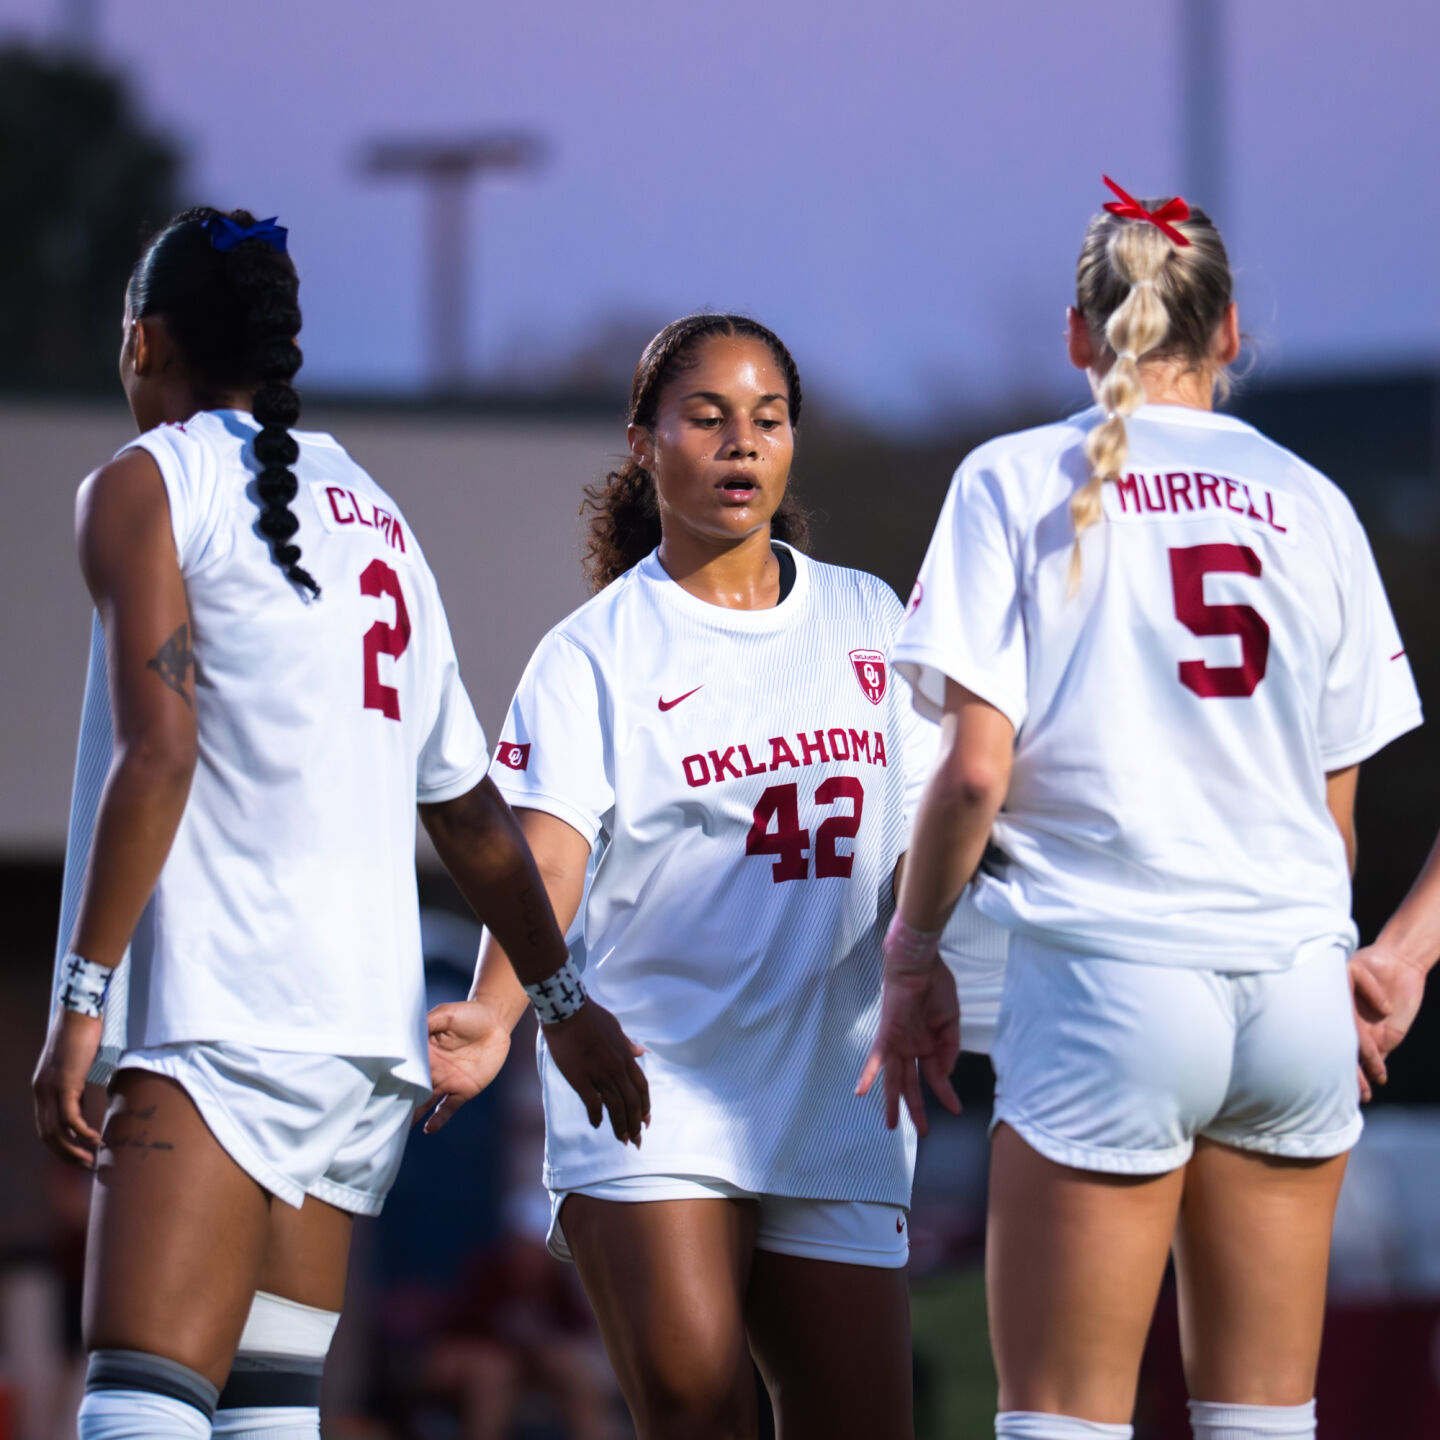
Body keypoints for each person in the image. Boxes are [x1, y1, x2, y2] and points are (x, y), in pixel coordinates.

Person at [30, 207, 646, 1440]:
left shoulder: (147, 483)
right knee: (266, 1413)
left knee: (137, 1408)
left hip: (217, 1024)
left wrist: (79, 1001)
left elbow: (159, 755)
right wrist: (563, 1008)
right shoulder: (379, 515)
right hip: (357, 1052)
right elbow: (467, 811)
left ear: (145, 343)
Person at [861, 178, 1423, 1440]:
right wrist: (1390, 955)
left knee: (1062, 1421)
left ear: (1079, 335)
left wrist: (913, 954)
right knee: (1267, 1425)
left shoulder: (1014, 479)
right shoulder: (1315, 504)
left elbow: (969, 773)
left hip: (1110, 982)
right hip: (1292, 988)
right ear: (1230, 335)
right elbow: (1334, 825)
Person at [425, 312, 947, 1440]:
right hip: (652, 1090)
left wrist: (931, 952)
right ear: (643, 442)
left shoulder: (870, 616)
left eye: (766, 420)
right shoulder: (595, 652)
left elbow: (932, 832)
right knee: (702, 1416)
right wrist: (499, 1012)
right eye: (706, 418)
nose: (740, 444)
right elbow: (544, 859)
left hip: (837, 1094)